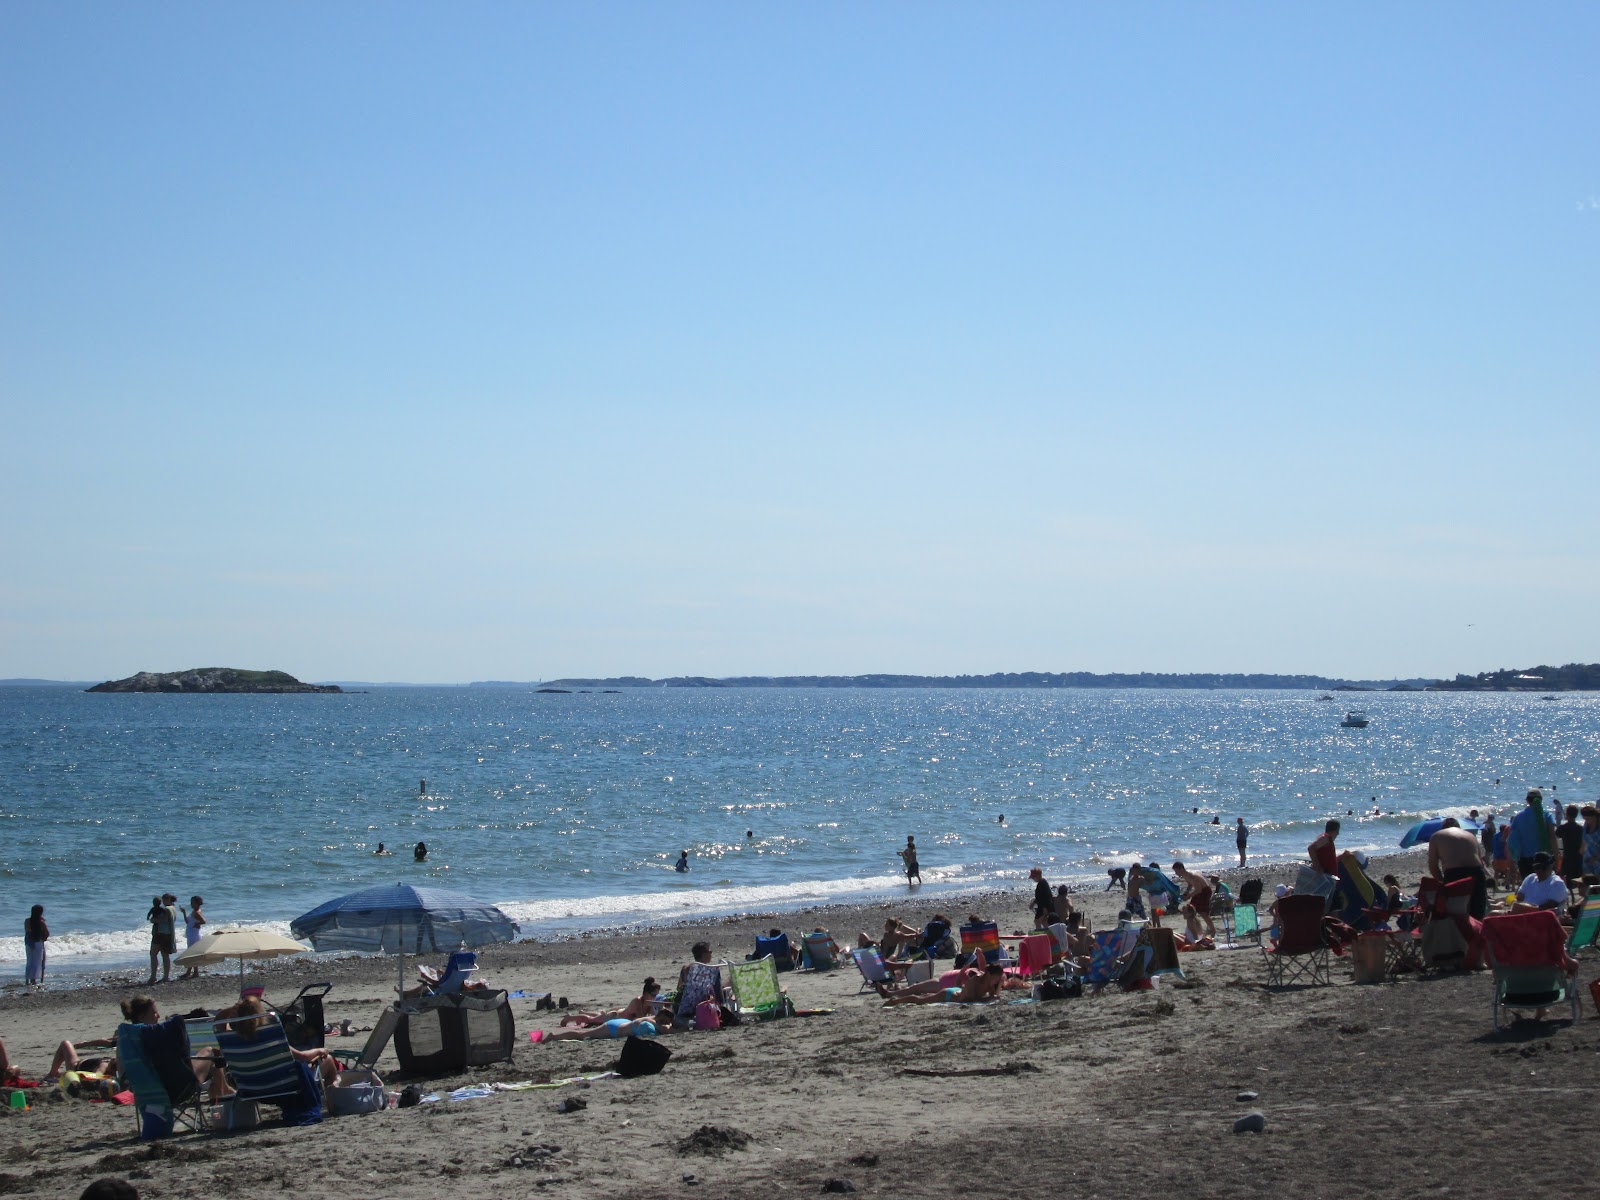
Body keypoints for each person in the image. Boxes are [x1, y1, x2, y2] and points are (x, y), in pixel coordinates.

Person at [1427, 817, 1490, 919]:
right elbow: (1481, 861)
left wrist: (1442, 882)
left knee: (1455, 913)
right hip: (1477, 872)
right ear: (1459, 827)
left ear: (1442, 827)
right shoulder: (1470, 836)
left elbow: (1433, 866)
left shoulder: (1436, 836)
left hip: (1454, 873)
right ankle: (1476, 932)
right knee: (1477, 914)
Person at [875, 962, 1006, 1006]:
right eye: (997, 978)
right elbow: (967, 1000)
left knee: (923, 994)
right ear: (989, 975)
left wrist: (998, 985)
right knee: (921, 1000)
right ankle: (895, 1001)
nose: (996, 981)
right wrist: (988, 998)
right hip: (949, 995)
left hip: (956, 990)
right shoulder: (975, 980)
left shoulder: (988, 982)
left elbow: (994, 996)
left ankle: (894, 995)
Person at [560, 978, 662, 1027]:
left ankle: (582, 1014)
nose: (654, 998)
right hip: (615, 1017)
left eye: (656, 996)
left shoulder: (648, 1003)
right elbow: (640, 1018)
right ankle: (569, 1018)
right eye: (653, 995)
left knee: (594, 1019)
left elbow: (652, 1015)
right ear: (645, 993)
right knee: (591, 1020)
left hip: (622, 1018)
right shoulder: (638, 1001)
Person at [1507, 789, 1556, 881]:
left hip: (1524, 859)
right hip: (1543, 858)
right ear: (1541, 800)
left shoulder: (1518, 817)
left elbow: (1511, 841)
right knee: (1545, 885)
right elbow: (1552, 837)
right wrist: (1556, 856)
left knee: (1529, 887)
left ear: (1527, 800)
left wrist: (1512, 861)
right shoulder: (1546, 815)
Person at [1171, 862, 1215, 941]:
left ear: (1181, 869)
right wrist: (1187, 892)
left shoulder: (1192, 876)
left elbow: (1199, 890)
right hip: (1200, 891)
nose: (1176, 873)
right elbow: (1190, 885)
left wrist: (1188, 896)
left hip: (1205, 891)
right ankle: (1194, 929)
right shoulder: (1185, 876)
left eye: (1176, 871)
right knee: (1191, 910)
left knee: (1203, 912)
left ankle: (1213, 930)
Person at [531, 1016, 658, 1042]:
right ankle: (554, 1036)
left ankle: (555, 1036)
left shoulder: (651, 1018)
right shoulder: (654, 1023)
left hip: (623, 1022)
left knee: (584, 1033)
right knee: (582, 1035)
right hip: (614, 1028)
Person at [145, 895, 177, 984]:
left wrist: (153, 920)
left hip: (160, 934)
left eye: (163, 900)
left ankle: (153, 976)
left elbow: (164, 919)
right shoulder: (173, 908)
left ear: (167, 900)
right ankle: (165, 976)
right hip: (168, 934)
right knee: (165, 956)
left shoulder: (166, 909)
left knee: (153, 954)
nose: (162, 903)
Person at [1557, 805, 1584, 888]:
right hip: (1578, 857)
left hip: (1567, 857)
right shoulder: (1580, 828)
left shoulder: (1563, 828)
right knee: (1578, 880)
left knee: (1567, 882)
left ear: (1567, 815)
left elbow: (1557, 835)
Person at [178, 896, 205, 980]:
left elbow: (204, 921)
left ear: (197, 903)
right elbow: (187, 922)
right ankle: (189, 972)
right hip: (191, 934)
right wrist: (184, 913)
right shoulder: (194, 911)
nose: (191, 904)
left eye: (192, 902)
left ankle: (195, 972)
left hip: (194, 935)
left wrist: (198, 924)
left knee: (192, 953)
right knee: (191, 953)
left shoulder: (197, 912)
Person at [24, 904, 48, 985]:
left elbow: (27, 931)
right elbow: (47, 933)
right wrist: (44, 938)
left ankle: (27, 979)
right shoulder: (41, 922)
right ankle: (33, 979)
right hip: (38, 942)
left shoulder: (27, 921)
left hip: (29, 942)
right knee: (37, 961)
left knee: (29, 961)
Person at [1581, 805, 1600, 878]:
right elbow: (1584, 841)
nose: (1586, 821)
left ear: (1594, 817)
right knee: (1586, 883)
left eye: (1588, 819)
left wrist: (1596, 858)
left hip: (1598, 860)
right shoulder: (1586, 826)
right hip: (1587, 859)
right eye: (1585, 819)